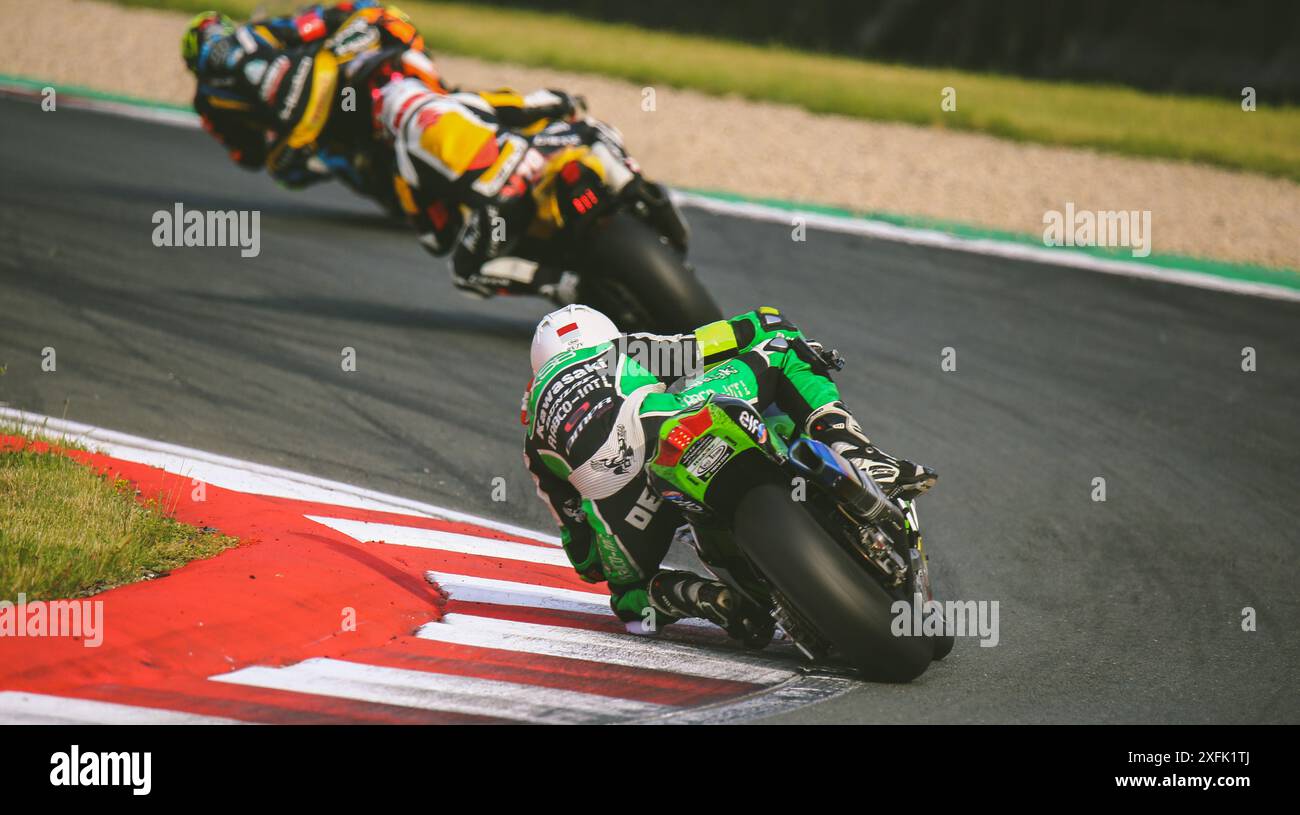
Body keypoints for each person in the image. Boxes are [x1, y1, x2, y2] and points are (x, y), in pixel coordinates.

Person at [521, 304, 938, 643]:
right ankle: (860, 455)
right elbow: (715, 340)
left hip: (621, 504)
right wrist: (767, 322)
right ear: (604, 334)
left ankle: (697, 596)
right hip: (664, 423)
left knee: (629, 600)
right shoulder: (619, 349)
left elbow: (584, 557)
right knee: (783, 347)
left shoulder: (533, 439)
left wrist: (607, 557)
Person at [375, 76, 622, 302]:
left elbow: (437, 239)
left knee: (466, 275)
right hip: (533, 159)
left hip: (496, 206)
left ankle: (562, 284)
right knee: (594, 129)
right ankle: (639, 191)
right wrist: (564, 101)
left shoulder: (402, 168)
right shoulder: (462, 101)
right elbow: (528, 105)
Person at [180, 3, 444, 190]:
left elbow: (248, 156)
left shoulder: (207, 105)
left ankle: (354, 162)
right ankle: (437, 91)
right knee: (374, 14)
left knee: (284, 171)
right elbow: (305, 26)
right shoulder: (254, 33)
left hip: (325, 119)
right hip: (335, 104)